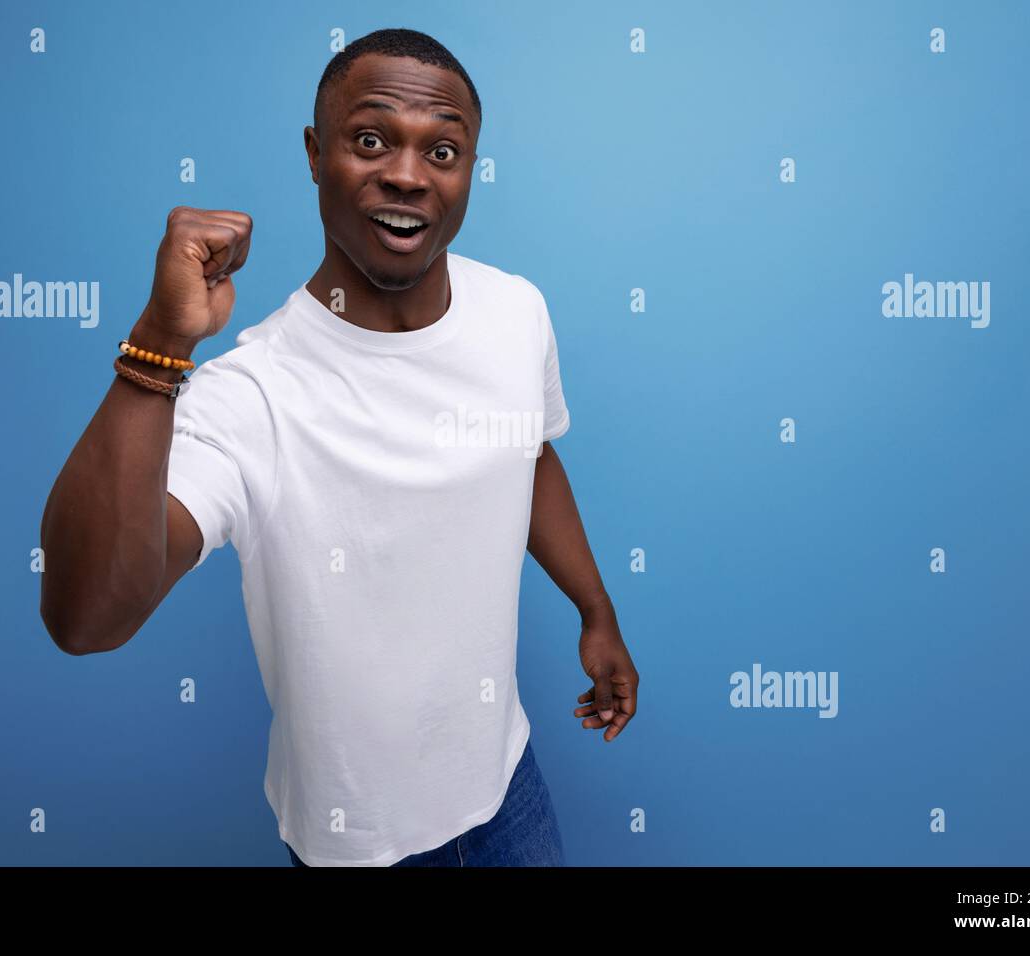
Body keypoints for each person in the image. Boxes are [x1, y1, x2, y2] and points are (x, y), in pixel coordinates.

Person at [39, 27, 639, 867]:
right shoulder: (250, 395)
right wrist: (158, 348)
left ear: (469, 173)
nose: (406, 172)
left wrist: (596, 610)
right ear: (316, 155)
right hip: (358, 846)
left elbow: (526, 454)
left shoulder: (515, 312)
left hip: (510, 795)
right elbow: (85, 618)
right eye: (369, 139)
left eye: (443, 148)